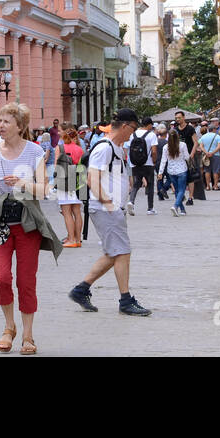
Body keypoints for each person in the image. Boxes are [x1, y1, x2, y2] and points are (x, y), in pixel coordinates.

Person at [0, 102, 62, 355]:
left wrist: (23, 183)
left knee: (26, 281)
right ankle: (9, 326)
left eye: (5, 121)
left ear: (20, 127)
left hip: (27, 224)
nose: (0, 125)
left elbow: (45, 190)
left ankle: (28, 335)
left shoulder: (34, 151)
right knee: (1, 277)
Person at [68, 108, 151, 316]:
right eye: (132, 129)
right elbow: (91, 178)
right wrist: (109, 203)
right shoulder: (104, 148)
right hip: (106, 209)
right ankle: (125, 300)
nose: (132, 134)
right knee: (122, 252)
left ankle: (81, 289)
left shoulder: (116, 147)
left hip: (110, 209)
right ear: (124, 126)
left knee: (113, 254)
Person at [54, 126, 85, 248]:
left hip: (65, 180)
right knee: (77, 212)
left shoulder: (60, 148)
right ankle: (77, 239)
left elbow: (57, 166)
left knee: (66, 212)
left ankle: (71, 239)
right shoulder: (79, 149)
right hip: (79, 179)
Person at [125, 117, 159, 215]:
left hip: (135, 163)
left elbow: (128, 148)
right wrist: (154, 161)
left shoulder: (133, 135)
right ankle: (150, 208)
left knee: (136, 184)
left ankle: (131, 201)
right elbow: (154, 151)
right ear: (149, 124)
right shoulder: (152, 135)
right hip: (148, 163)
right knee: (150, 184)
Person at [159, 129, 192, 216]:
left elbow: (163, 160)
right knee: (181, 190)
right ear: (177, 136)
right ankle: (175, 206)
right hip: (182, 170)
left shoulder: (166, 147)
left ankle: (182, 209)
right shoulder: (182, 145)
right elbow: (187, 157)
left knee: (177, 190)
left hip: (171, 171)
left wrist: (160, 172)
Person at [199, 122, 220, 191]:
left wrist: (206, 152)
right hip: (216, 155)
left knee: (207, 171)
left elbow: (201, 146)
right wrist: (212, 152)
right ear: (214, 129)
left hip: (206, 156)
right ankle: (215, 186)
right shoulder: (217, 136)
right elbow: (219, 146)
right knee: (215, 171)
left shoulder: (203, 136)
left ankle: (207, 186)